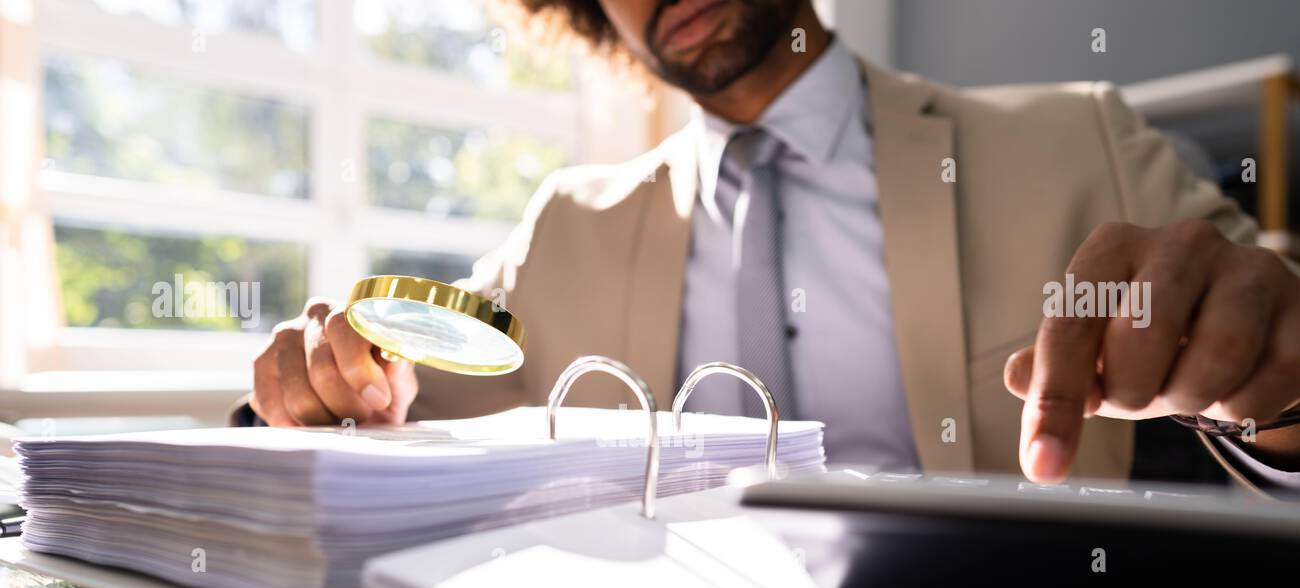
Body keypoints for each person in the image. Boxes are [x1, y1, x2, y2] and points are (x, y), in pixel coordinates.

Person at [241, 0, 1300, 488]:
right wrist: (331, 382)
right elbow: (399, 378)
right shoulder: (564, 226)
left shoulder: (1081, 140)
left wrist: (1281, 390)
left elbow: (1275, 359)